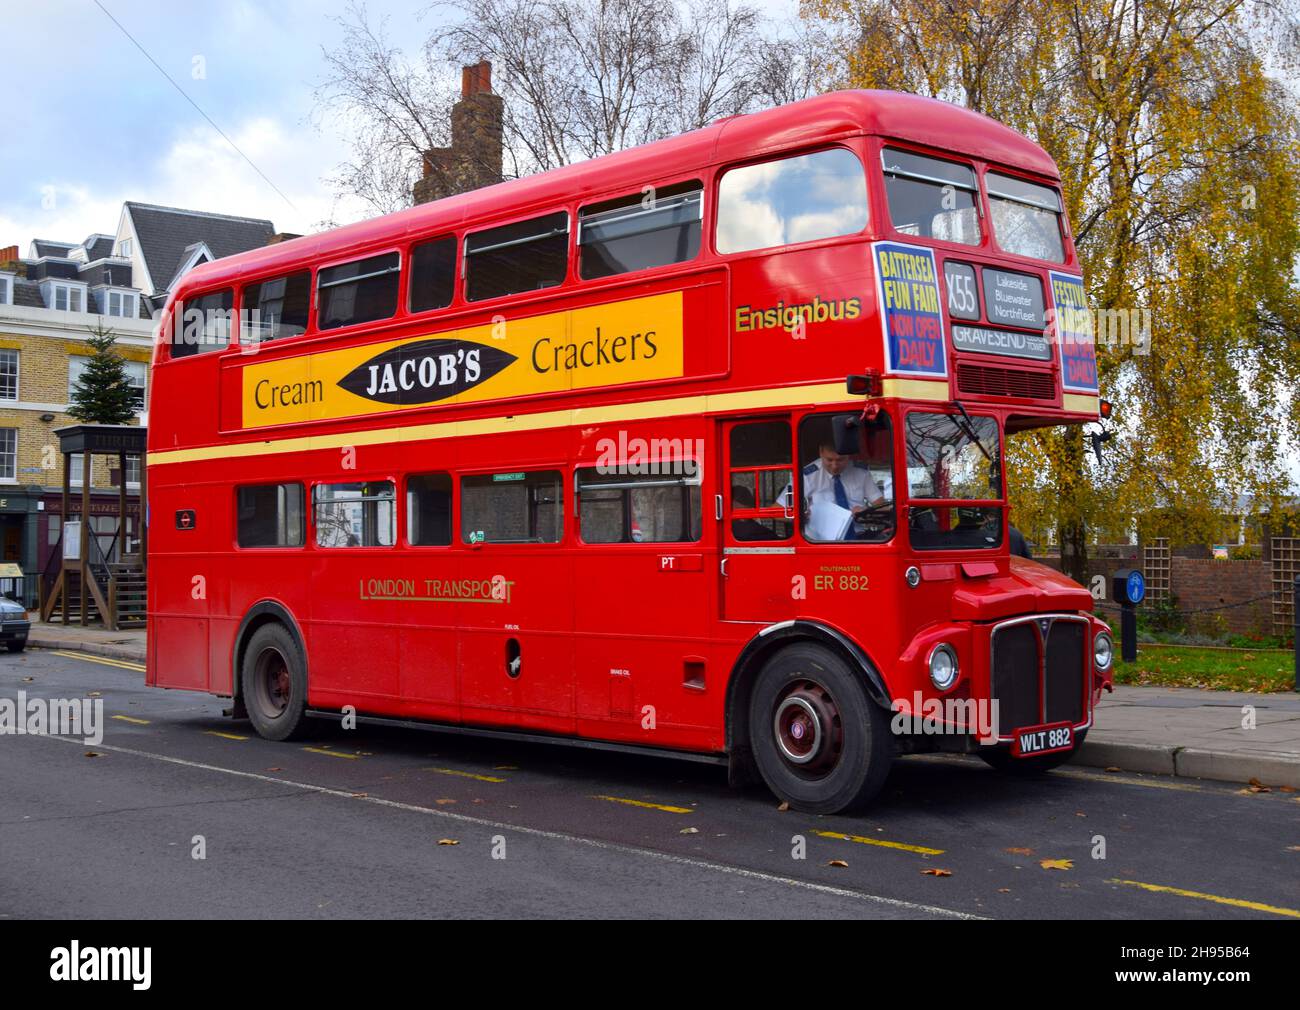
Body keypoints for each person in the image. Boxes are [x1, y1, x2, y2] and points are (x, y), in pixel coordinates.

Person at [782, 442, 886, 540]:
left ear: (849, 455)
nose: (835, 466)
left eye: (840, 460)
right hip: (817, 542)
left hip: (857, 538)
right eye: (829, 460)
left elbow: (883, 507)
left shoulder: (860, 472)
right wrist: (800, 516)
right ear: (821, 452)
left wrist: (866, 512)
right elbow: (778, 511)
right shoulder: (807, 476)